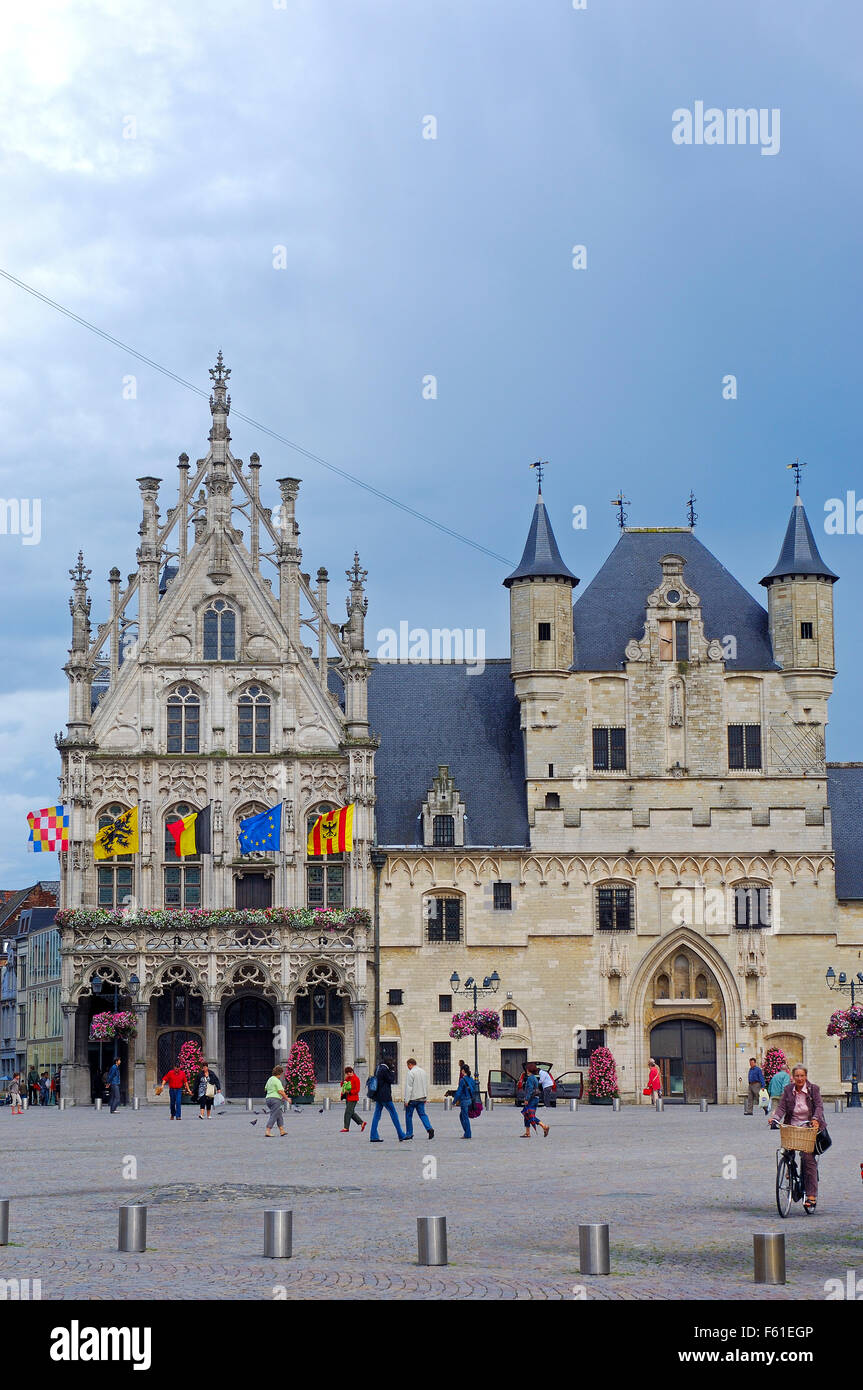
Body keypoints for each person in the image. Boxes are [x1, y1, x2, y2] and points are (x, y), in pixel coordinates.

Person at [769, 1064, 825, 1212]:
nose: (799, 1078)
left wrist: (815, 1119)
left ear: (806, 1076)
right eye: (797, 1076)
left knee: (808, 1158)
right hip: (792, 1127)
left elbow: (819, 1106)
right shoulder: (788, 1090)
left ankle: (811, 1195)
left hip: (808, 1128)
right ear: (792, 1077)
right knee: (787, 1151)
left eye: (802, 1075)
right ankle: (790, 1168)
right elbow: (781, 1107)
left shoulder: (813, 1089)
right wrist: (775, 1118)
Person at [369, 1056, 407, 1143]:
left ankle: (373, 1135)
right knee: (394, 1114)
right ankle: (400, 1134)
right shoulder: (385, 1069)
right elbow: (391, 1080)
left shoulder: (378, 1068)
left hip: (378, 1095)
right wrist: (393, 1071)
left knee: (376, 1115)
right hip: (385, 1096)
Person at [404, 1057, 434, 1140]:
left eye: (408, 1065)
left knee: (408, 1116)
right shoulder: (423, 1072)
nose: (408, 1067)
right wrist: (425, 1096)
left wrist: (406, 1100)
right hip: (422, 1097)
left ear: (410, 1064)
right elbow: (425, 1085)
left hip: (413, 1098)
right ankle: (429, 1128)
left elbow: (409, 1087)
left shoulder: (411, 1073)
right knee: (422, 1114)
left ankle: (409, 1133)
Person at [520, 1062, 550, 1138]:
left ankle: (544, 1126)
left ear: (528, 1070)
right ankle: (527, 1133)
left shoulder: (530, 1078)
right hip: (535, 1098)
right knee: (526, 1115)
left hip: (531, 1099)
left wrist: (526, 1099)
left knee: (530, 1115)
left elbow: (530, 1090)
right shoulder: (535, 1078)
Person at [339, 1066, 366, 1134]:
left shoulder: (356, 1079)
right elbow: (342, 1085)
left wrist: (350, 1092)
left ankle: (346, 1128)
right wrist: (344, 1081)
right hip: (348, 1098)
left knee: (348, 1112)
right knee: (351, 1113)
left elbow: (357, 1090)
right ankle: (362, 1123)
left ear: (352, 1071)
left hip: (353, 1098)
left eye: (350, 1072)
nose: (349, 1074)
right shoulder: (348, 1078)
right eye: (347, 1073)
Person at [453, 1062, 476, 1139]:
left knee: (465, 1117)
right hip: (470, 1100)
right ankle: (467, 1132)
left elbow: (459, 1091)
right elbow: (474, 1089)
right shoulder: (471, 1079)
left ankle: (467, 1133)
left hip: (464, 1100)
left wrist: (454, 1101)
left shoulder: (462, 1080)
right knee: (462, 1116)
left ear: (463, 1071)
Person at [264, 1065, 288, 1137]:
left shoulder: (270, 1079)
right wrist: (287, 1098)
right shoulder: (277, 1081)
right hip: (276, 1100)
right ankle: (268, 1130)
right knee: (274, 1115)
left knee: (279, 1114)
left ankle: (281, 1130)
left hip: (268, 1099)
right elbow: (280, 1091)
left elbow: (265, 1088)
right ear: (280, 1073)